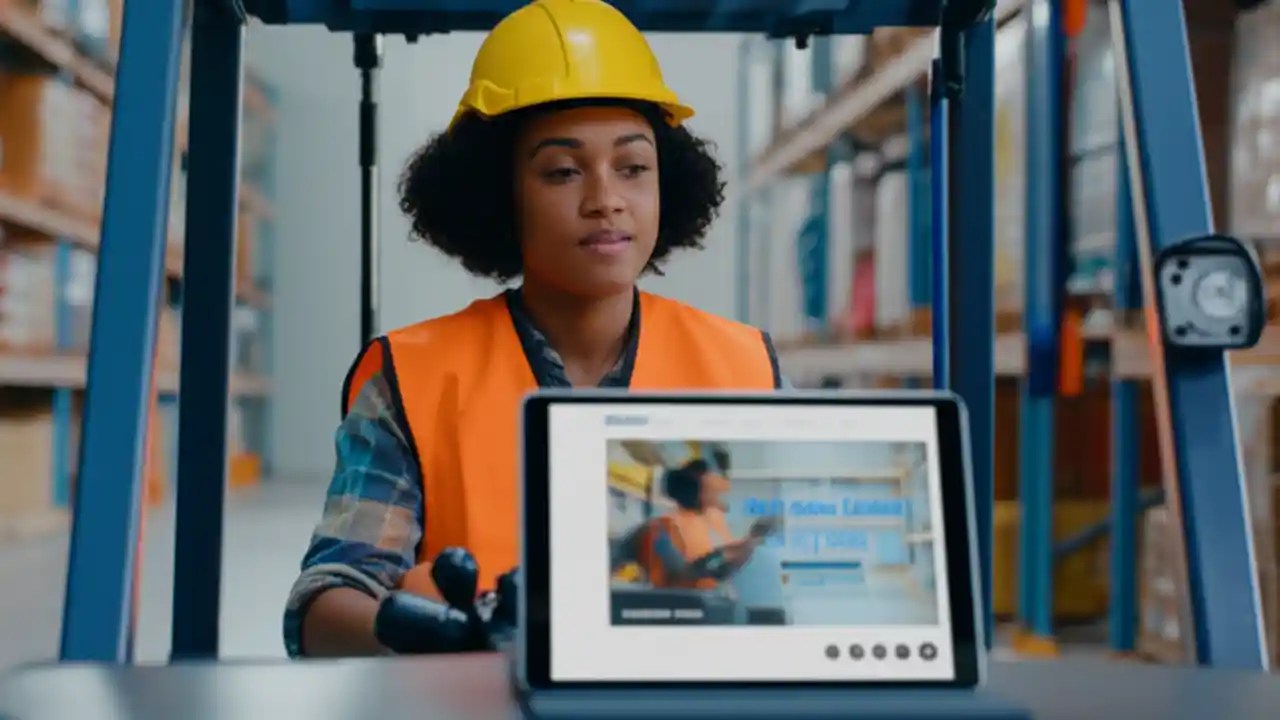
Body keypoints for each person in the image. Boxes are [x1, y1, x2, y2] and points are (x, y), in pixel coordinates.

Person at [283, 0, 786, 659]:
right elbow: (326, 604)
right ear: (501, 196)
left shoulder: (746, 364)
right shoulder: (409, 374)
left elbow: (796, 587)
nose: (605, 200)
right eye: (562, 172)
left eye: (633, 168)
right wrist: (429, 637)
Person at [631, 458, 779, 590]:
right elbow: (684, 574)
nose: (724, 487)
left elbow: (723, 567)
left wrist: (748, 542)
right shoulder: (665, 526)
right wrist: (728, 553)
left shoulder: (711, 520)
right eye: (711, 485)